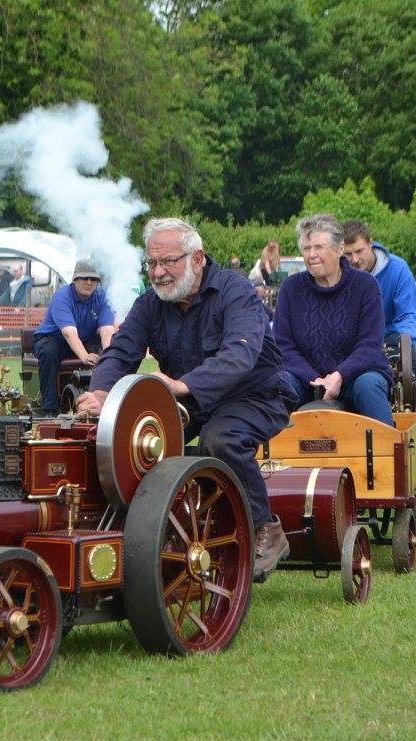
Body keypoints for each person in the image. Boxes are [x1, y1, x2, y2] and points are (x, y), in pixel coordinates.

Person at [75, 217, 291, 580]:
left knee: (219, 440)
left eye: (168, 262)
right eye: (152, 263)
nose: (158, 272)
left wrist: (181, 385)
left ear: (197, 258)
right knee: (135, 441)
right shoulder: (150, 304)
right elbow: (121, 350)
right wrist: (100, 393)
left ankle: (266, 528)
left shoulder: (236, 293)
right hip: (191, 398)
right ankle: (140, 533)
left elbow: (239, 355)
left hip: (257, 395)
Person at [273, 214, 394, 426]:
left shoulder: (366, 287)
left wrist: (339, 375)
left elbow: (370, 345)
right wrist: (315, 380)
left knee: (368, 386)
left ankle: (390, 452)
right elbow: (283, 345)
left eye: (319, 247)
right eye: (307, 248)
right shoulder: (291, 288)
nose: (312, 255)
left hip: (357, 376)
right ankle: (266, 453)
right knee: (277, 384)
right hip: (305, 380)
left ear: (339, 250)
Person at [342, 220, 416, 379]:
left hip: (389, 341)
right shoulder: (337, 273)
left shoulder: (397, 268)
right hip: (350, 342)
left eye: (359, 251)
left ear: (371, 243)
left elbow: (409, 313)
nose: (354, 259)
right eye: (348, 254)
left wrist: (405, 340)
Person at [32, 258, 116, 414]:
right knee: (49, 351)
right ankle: (49, 408)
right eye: (85, 278)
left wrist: (110, 355)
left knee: (107, 352)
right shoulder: (62, 296)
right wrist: (85, 356)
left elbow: (107, 330)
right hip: (54, 339)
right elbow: (68, 333)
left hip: (85, 339)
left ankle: (103, 402)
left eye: (93, 279)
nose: (89, 282)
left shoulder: (103, 297)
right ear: (75, 279)